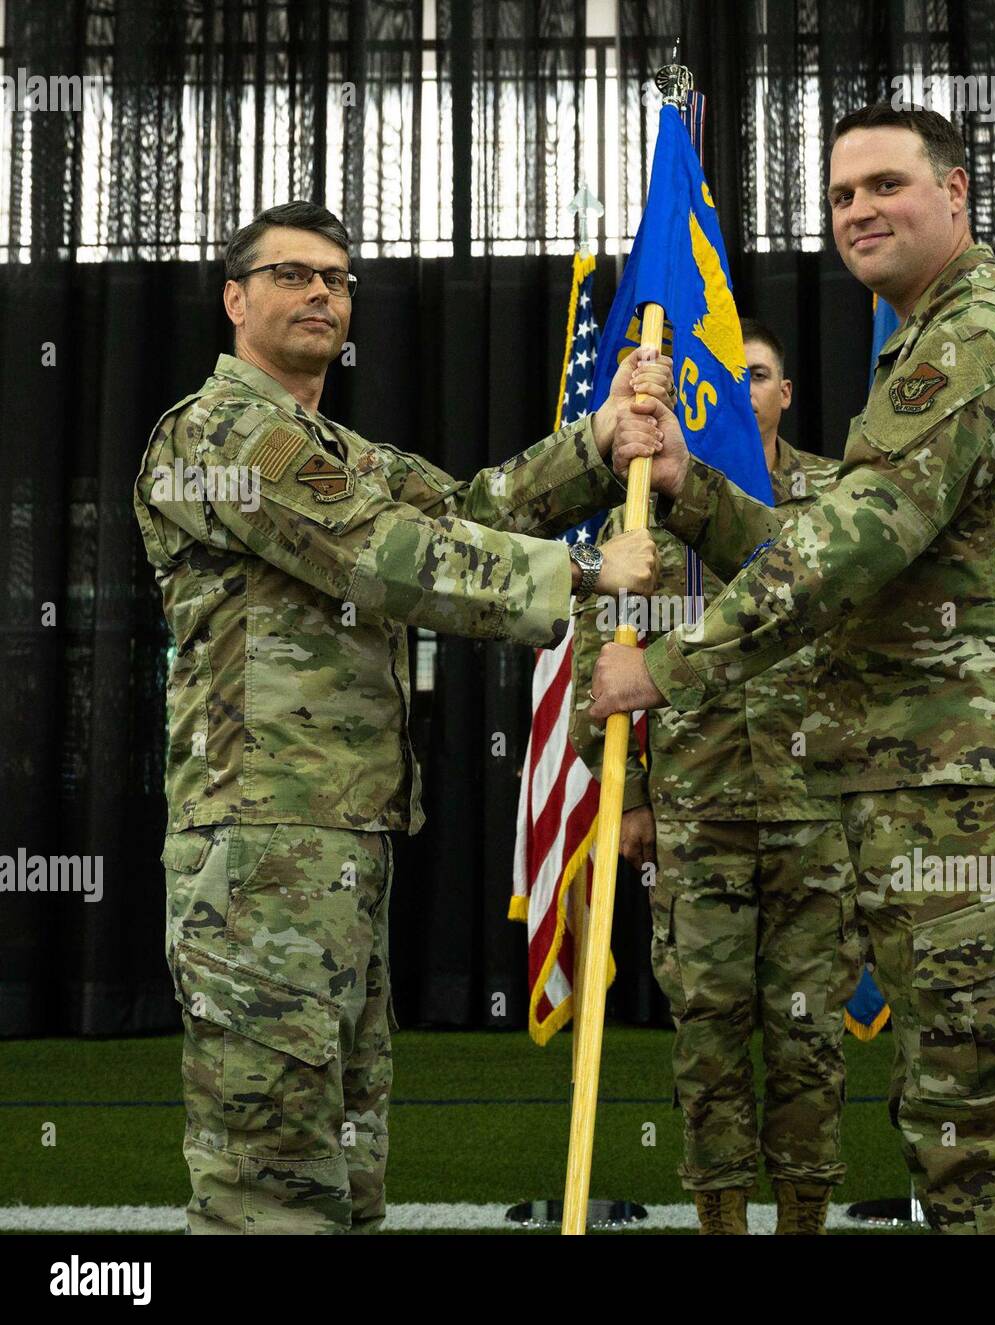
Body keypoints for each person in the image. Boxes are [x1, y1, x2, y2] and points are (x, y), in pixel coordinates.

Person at [590, 104, 995, 1235]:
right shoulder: (929, 337)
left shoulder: (978, 331)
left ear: (958, 192)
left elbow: (858, 538)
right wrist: (691, 490)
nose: (858, 211)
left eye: (886, 184)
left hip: (980, 785)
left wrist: (669, 663)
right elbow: (855, 541)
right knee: (963, 1119)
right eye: (839, 196)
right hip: (945, 782)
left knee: (990, 1139)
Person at [132, 200, 668, 1234]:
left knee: (343, 1155)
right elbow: (386, 558)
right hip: (258, 848)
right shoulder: (221, 432)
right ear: (235, 299)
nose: (322, 293)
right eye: (292, 275)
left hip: (334, 839)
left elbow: (469, 511)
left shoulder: (335, 448)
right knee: (271, 1178)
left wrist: (599, 444)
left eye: (337, 278)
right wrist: (592, 567)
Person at [571, 320, 857, 1235]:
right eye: (727, 376)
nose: (743, 388)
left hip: (814, 811)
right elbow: (600, 653)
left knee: (809, 1037)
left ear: (783, 396)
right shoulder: (643, 511)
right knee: (708, 1031)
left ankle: (805, 1214)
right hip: (699, 810)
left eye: (759, 375)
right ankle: (722, 1219)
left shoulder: (833, 499)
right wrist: (636, 796)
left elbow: (852, 624)